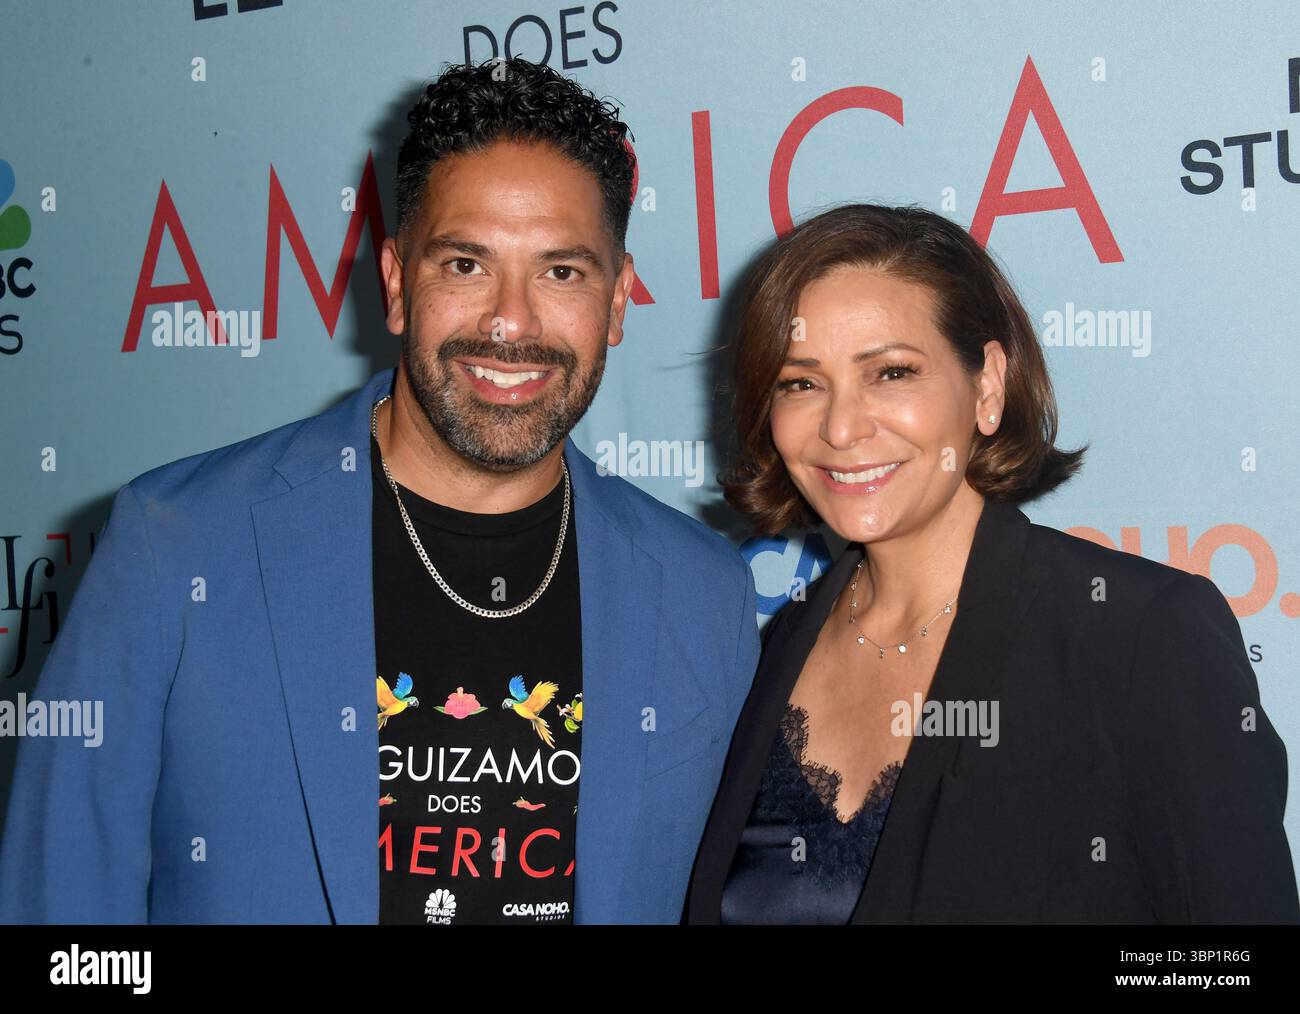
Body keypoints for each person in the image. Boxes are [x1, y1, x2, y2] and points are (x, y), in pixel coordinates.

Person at [0, 58, 759, 925]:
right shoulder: (176, 544)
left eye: (562, 272)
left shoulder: (701, 591)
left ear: (619, 300)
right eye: (467, 263)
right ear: (398, 284)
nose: (511, 323)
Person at [685, 203, 1300, 924]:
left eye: (890, 373)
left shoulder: (1139, 638)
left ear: (986, 386)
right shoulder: (768, 648)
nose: (841, 427)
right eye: (800, 382)